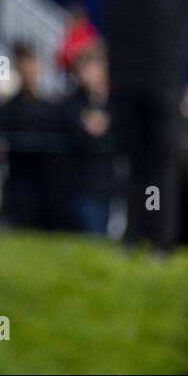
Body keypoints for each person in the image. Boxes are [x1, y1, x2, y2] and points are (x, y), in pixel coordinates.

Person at [53, 0, 188, 254]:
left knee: (134, 163)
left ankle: (134, 236)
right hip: (165, 87)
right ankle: (161, 243)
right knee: (162, 165)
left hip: (126, 85)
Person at [0, 42, 64, 230]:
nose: (29, 73)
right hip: (21, 182)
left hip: (47, 182)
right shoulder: (9, 107)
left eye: (32, 67)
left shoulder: (52, 107)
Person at [60, 43, 119, 236]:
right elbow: (73, 124)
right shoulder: (72, 101)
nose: (89, 74)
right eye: (85, 69)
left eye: (94, 68)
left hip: (112, 183)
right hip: (82, 185)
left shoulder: (115, 102)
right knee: (92, 236)